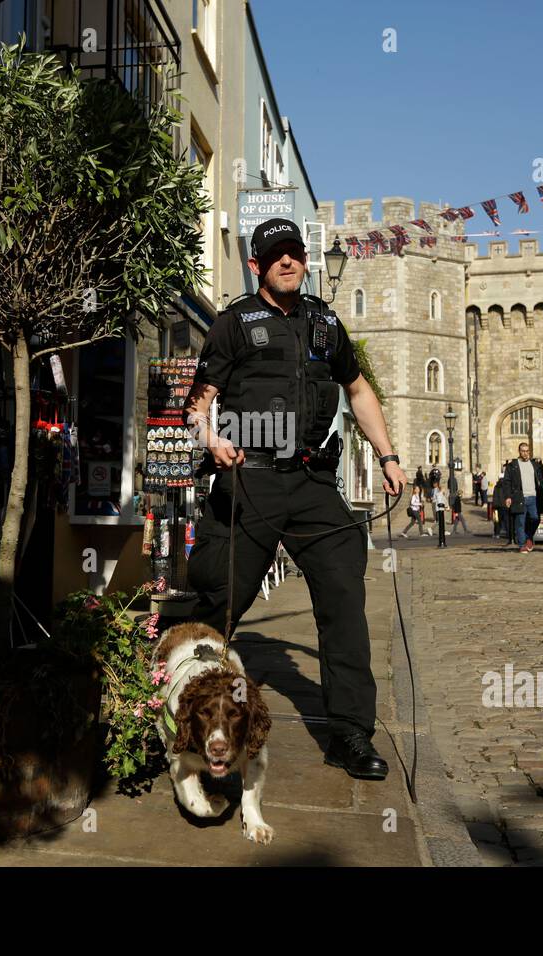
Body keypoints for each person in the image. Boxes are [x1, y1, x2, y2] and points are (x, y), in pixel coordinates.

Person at [183, 217, 404, 780]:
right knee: (217, 600)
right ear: (256, 265)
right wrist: (213, 440)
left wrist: (387, 456)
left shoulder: (326, 324)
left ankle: (350, 735)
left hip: (310, 484)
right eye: (275, 255)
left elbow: (358, 391)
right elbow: (198, 405)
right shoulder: (234, 323)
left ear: (305, 260)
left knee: (343, 598)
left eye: (296, 254)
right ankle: (165, 710)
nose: (288, 262)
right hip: (248, 479)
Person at [502, 442, 543, 553]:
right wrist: (508, 497)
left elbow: (541, 478)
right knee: (520, 522)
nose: (525, 453)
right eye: (523, 451)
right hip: (519, 497)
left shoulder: (534, 464)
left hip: (533, 497)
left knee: (536, 518)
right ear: (519, 451)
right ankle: (522, 544)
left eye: (527, 451)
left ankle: (529, 537)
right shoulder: (512, 465)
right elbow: (506, 482)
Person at [430, 479, 447, 548]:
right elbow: (437, 499)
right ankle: (441, 541)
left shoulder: (439, 493)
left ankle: (442, 540)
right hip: (438, 508)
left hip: (440, 509)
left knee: (440, 521)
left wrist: (446, 506)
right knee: (439, 521)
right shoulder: (438, 493)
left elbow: (444, 501)